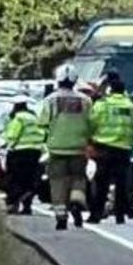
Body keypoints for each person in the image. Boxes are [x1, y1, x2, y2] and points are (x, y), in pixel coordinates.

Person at [39, 63, 92, 230]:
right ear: (75, 80)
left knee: (57, 182)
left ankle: (61, 216)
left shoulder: (51, 100)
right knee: (78, 178)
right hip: (79, 148)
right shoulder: (86, 100)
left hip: (56, 149)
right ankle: (76, 202)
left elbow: (41, 122)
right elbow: (92, 122)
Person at [88, 73, 133, 224]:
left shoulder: (103, 104)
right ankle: (120, 215)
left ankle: (95, 215)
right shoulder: (131, 106)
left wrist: (91, 140)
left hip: (104, 149)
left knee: (102, 184)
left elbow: (91, 123)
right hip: (123, 149)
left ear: (110, 89)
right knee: (121, 184)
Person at [2, 94, 45, 215]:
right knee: (29, 180)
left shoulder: (18, 118)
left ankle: (12, 203)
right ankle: (27, 206)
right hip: (36, 152)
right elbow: (43, 133)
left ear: (16, 107)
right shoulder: (34, 118)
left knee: (15, 179)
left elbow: (12, 136)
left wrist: (7, 146)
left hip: (19, 153)